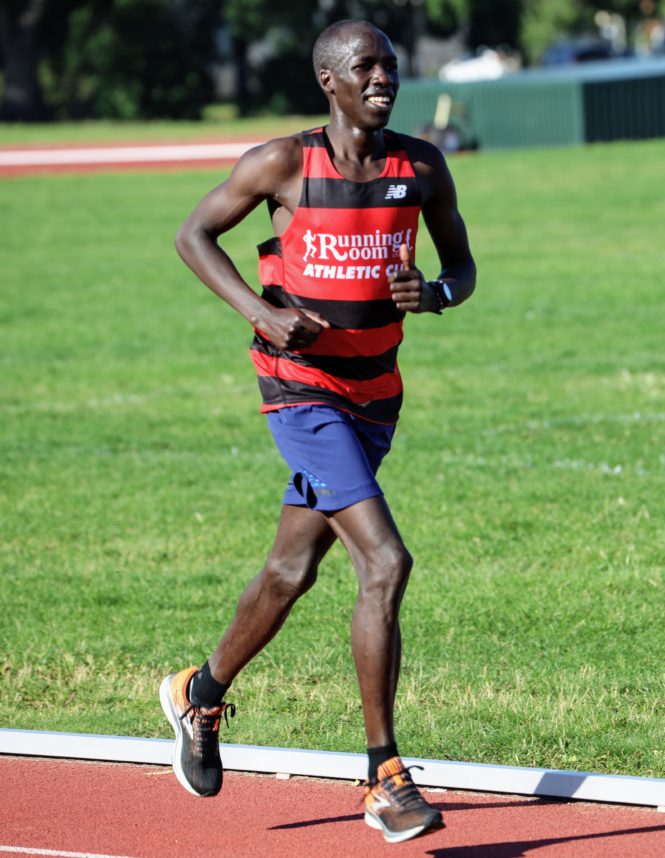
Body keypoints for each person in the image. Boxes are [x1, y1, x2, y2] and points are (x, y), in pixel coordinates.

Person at [161, 19, 475, 845]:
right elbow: (194, 236)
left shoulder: (423, 166)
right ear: (328, 82)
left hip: (376, 396)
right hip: (301, 394)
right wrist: (262, 314)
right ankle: (384, 774)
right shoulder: (284, 163)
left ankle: (201, 693)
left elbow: (463, 269)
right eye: (365, 67)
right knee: (386, 558)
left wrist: (434, 295)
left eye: (391, 66)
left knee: (291, 569)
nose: (384, 78)